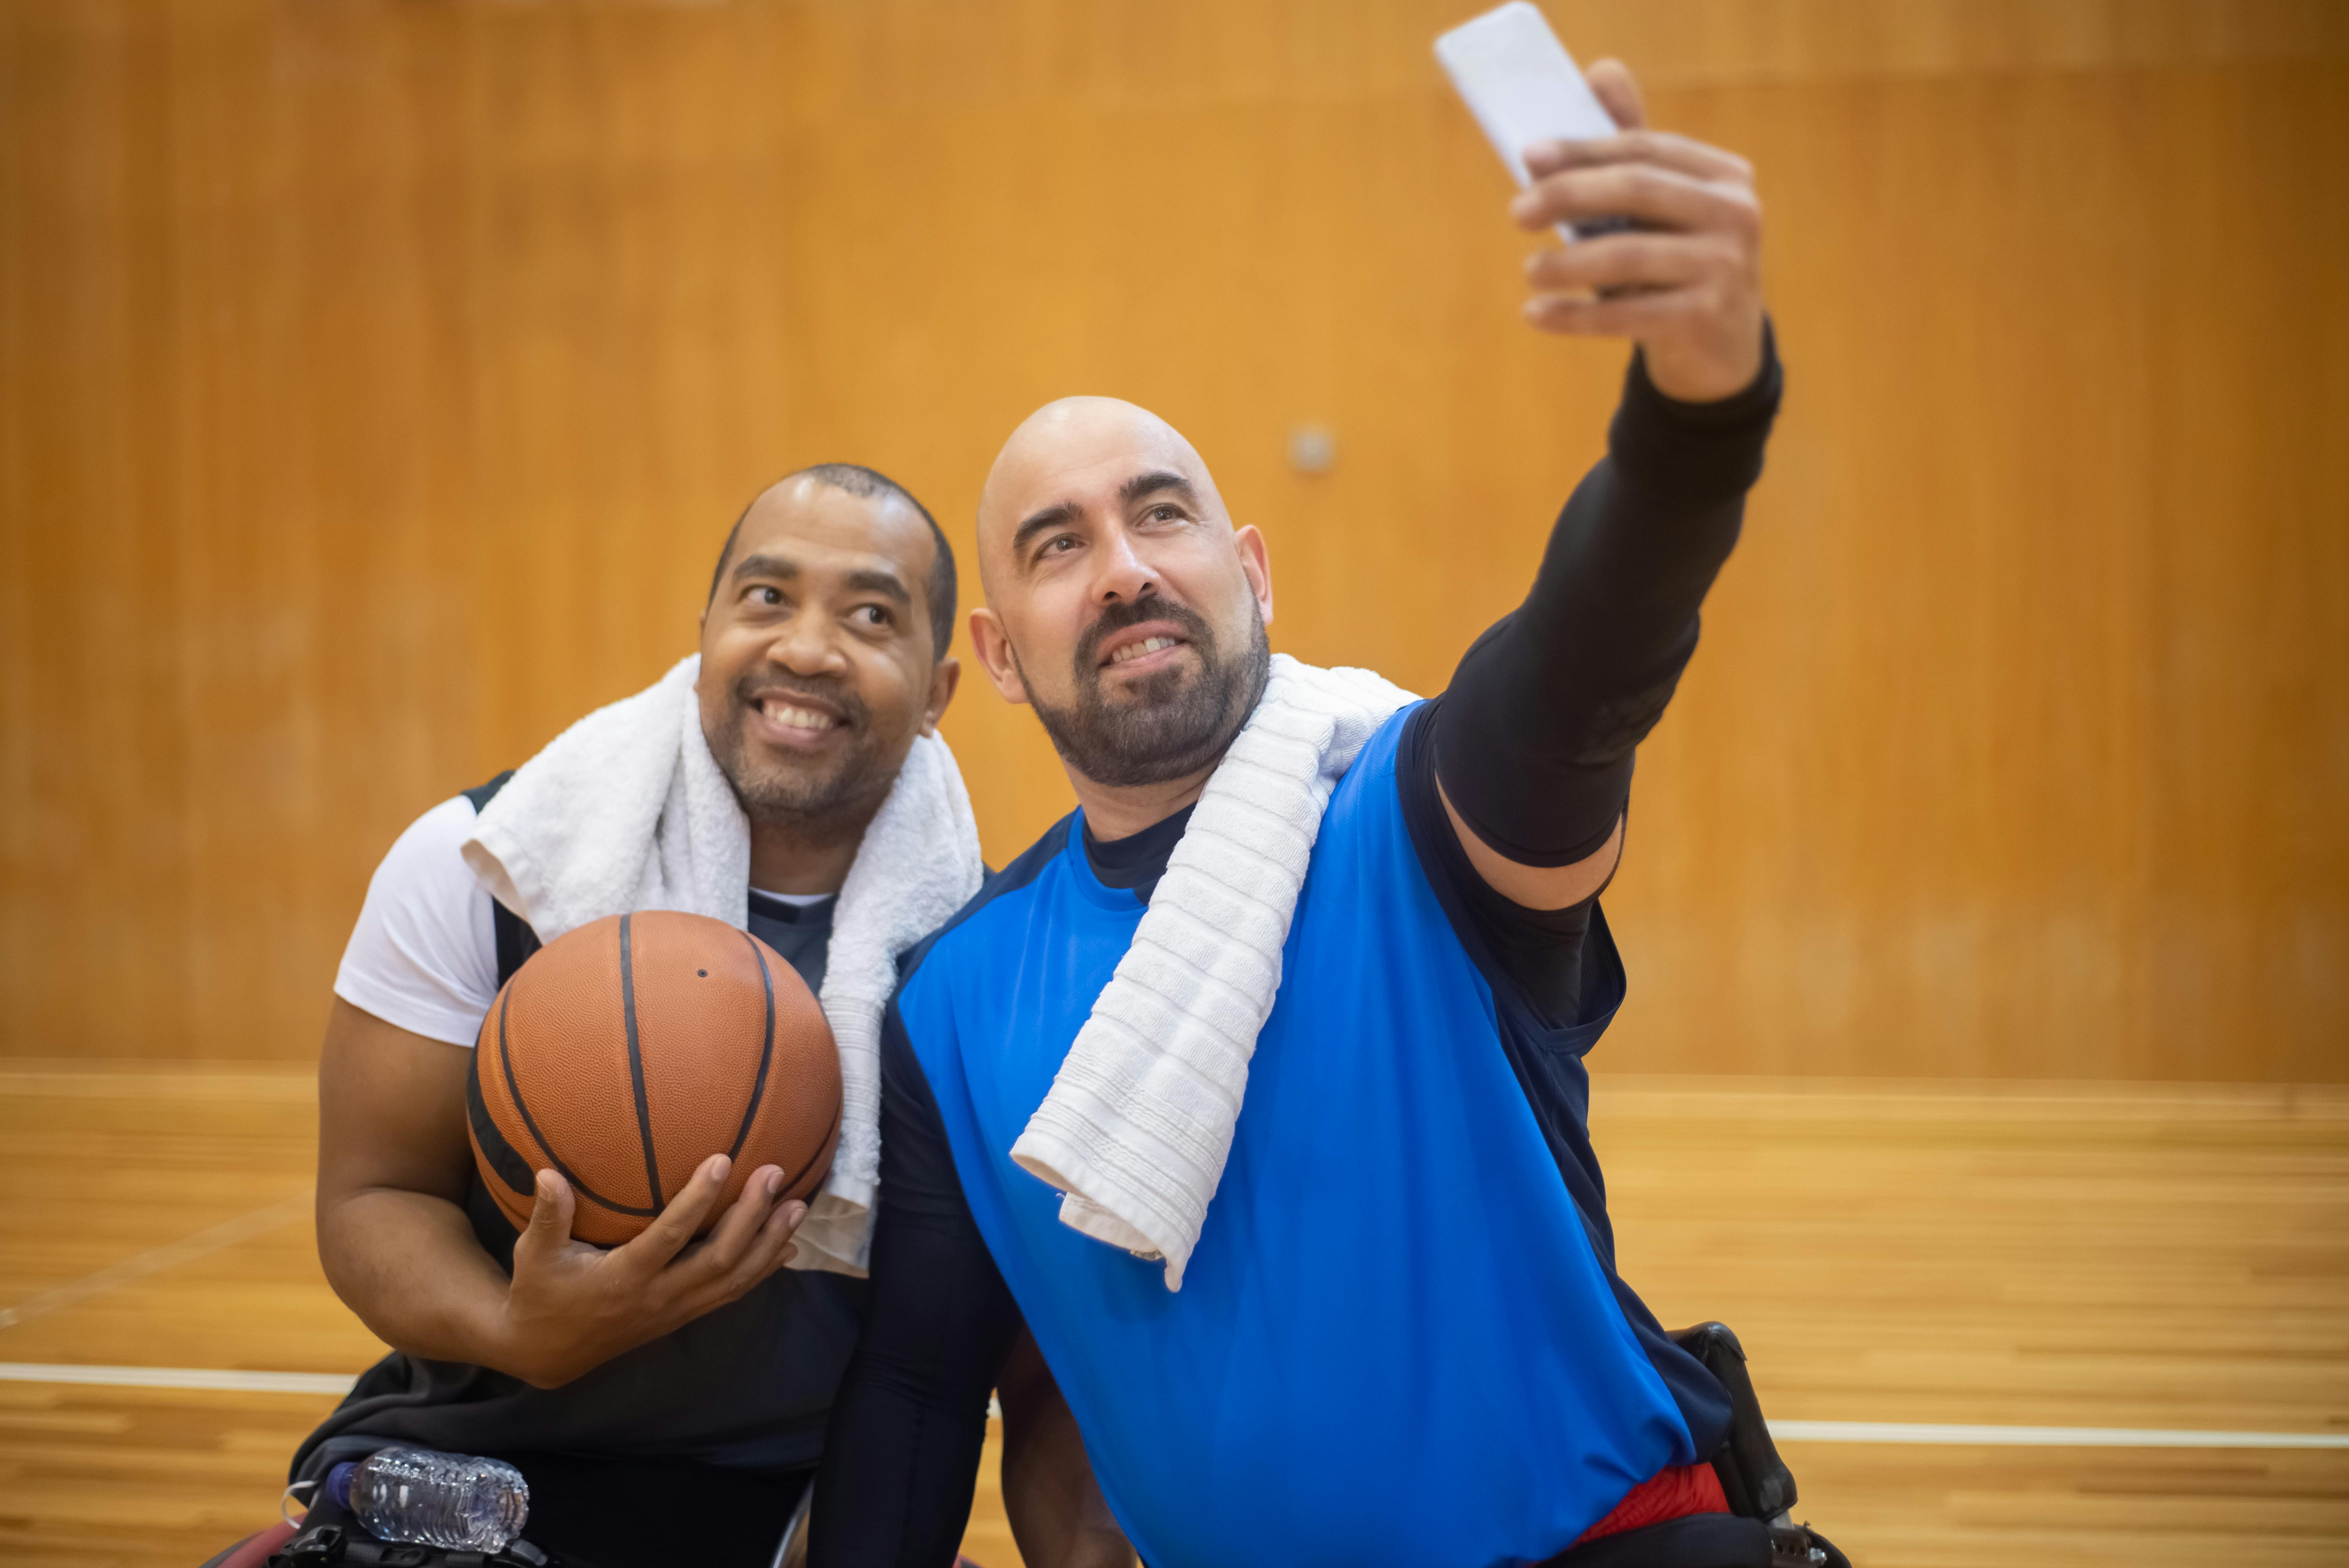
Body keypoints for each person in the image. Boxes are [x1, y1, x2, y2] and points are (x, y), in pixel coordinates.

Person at [813, 62, 1831, 1568]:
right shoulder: (954, 1003)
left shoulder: (1416, 811)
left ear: (1255, 574)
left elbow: (1580, 668)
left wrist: (1696, 417)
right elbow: (916, 1389)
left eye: (1160, 512)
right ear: (1002, 661)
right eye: (1056, 543)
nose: (1124, 567)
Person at [296, 465, 1111, 1568]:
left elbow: (1040, 1368)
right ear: (705, 634)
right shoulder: (490, 867)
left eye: (871, 615)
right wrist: (516, 1331)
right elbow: (371, 1197)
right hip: (485, 1467)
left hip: (799, 1506)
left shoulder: (991, 961)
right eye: (767, 598)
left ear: (939, 689)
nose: (808, 648)